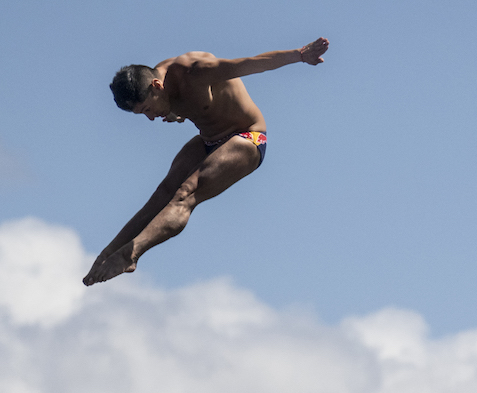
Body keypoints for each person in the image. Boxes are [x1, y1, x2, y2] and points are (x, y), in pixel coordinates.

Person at [83, 38, 329, 286]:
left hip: (248, 137)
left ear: (156, 86)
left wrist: (299, 55)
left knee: (185, 193)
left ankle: (131, 254)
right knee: (162, 193)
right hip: (209, 140)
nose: (150, 118)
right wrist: (174, 113)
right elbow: (185, 103)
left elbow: (252, 63)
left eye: (147, 109)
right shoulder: (157, 79)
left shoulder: (194, 70)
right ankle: (107, 254)